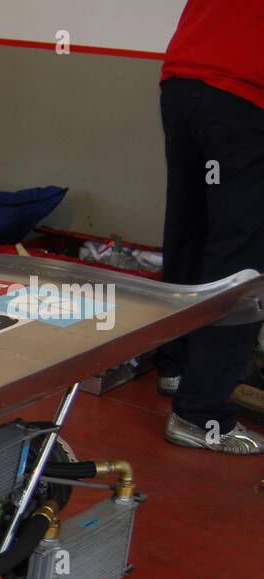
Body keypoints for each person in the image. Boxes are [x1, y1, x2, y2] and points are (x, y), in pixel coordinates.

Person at [155, 0, 264, 455]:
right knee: (242, 256)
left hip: (184, 85)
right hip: (243, 97)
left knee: (191, 232)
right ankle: (201, 415)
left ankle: (176, 364)